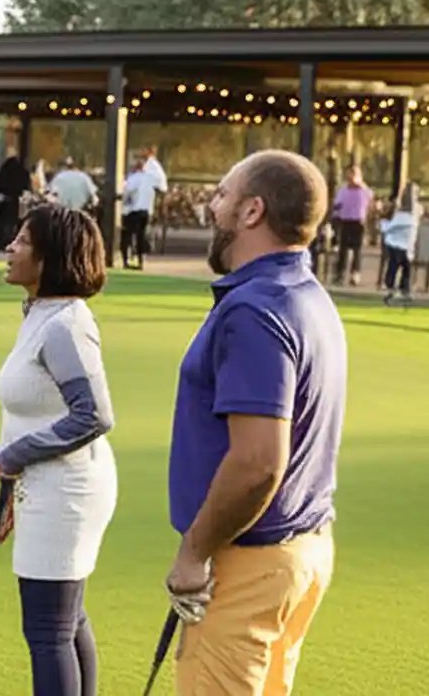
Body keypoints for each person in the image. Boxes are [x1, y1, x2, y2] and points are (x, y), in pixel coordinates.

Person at [165, 150, 346, 696]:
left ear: (252, 211)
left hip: (250, 562)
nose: (212, 206)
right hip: (300, 551)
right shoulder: (306, 296)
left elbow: (258, 462)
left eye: (222, 194)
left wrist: (193, 552)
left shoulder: (255, 310)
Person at [0, 204, 118, 696]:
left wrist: (17, 454)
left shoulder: (65, 325)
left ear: (50, 259)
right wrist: (9, 483)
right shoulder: (41, 314)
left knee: (49, 630)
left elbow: (94, 414)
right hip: (45, 484)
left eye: (22, 241)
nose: (10, 248)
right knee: (65, 619)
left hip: (66, 491)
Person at [330, 165, 374, 286]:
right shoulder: (344, 190)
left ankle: (355, 273)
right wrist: (335, 215)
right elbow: (337, 204)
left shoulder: (364, 190)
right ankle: (340, 274)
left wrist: (361, 185)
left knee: (357, 249)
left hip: (358, 222)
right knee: (343, 249)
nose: (351, 177)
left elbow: (371, 200)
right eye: (350, 174)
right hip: (345, 221)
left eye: (354, 174)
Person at [379, 182, 421, 304]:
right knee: (399, 267)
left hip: (401, 245)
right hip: (400, 246)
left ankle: (399, 288)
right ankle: (396, 288)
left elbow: (388, 227)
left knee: (401, 268)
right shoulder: (407, 215)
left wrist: (383, 224)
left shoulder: (405, 215)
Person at [121, 157, 157, 269]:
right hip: (146, 211)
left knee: (127, 235)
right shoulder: (150, 179)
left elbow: (127, 192)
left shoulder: (133, 178)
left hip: (133, 210)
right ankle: (141, 261)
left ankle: (126, 260)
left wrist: (124, 201)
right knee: (141, 236)